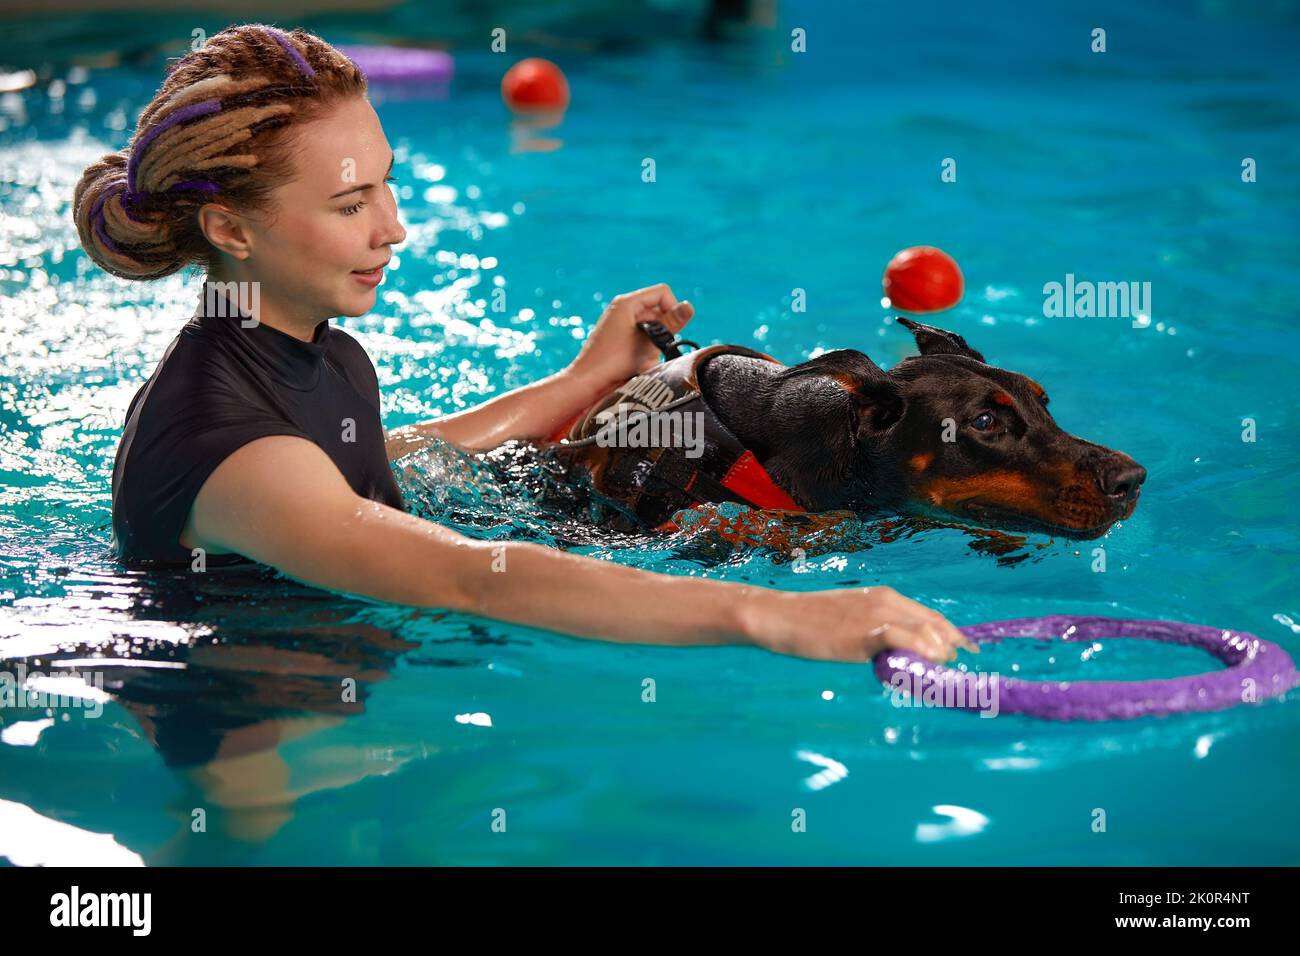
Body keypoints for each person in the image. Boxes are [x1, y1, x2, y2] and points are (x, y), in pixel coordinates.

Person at [74, 24, 974, 665]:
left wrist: (581, 380)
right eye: (351, 205)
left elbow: (382, 462)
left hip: (352, 686)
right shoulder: (224, 449)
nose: (395, 229)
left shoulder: (311, 350)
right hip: (266, 774)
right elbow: (478, 584)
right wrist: (775, 618)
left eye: (387, 184)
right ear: (232, 228)